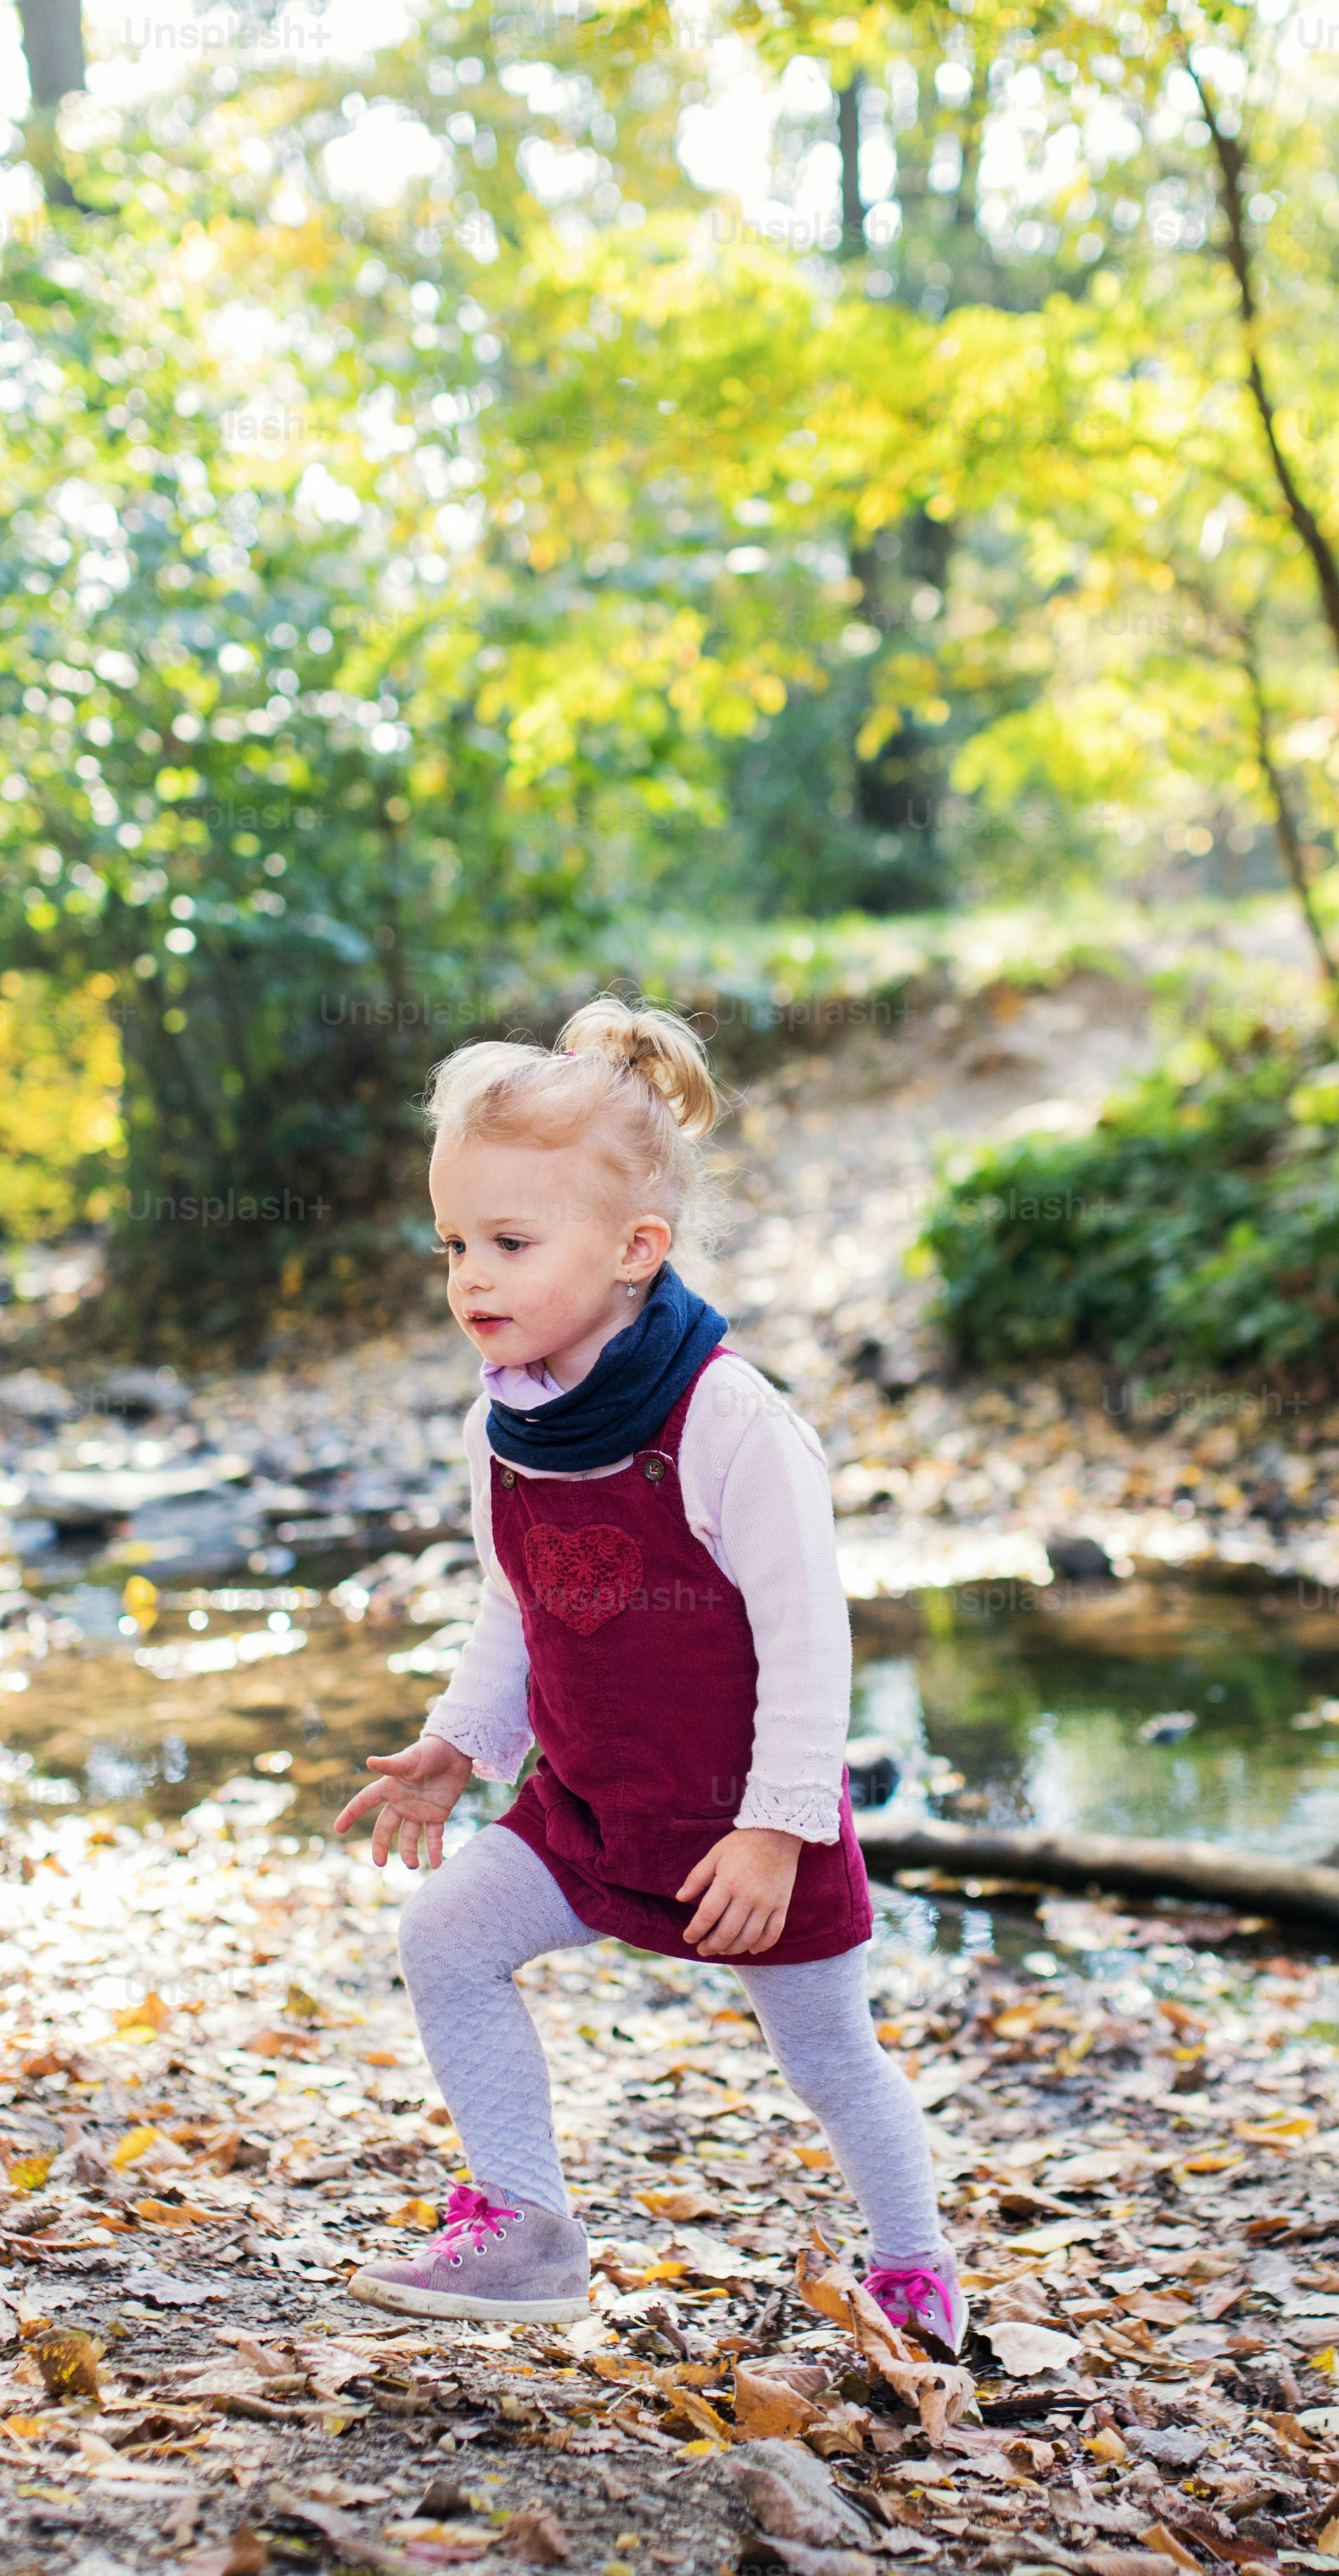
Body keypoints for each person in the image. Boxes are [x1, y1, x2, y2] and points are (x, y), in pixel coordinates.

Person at [329, 997, 964, 2353]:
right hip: (592, 1805)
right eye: (453, 1244)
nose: (469, 1277)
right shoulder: (502, 1421)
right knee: (445, 1937)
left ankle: (916, 2265)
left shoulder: (730, 1420)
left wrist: (780, 1828)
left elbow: (810, 1639)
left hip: (744, 1824)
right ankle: (528, 2228)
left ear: (635, 1250)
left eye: (509, 1242)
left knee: (830, 2060)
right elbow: (518, 1603)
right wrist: (461, 1745)